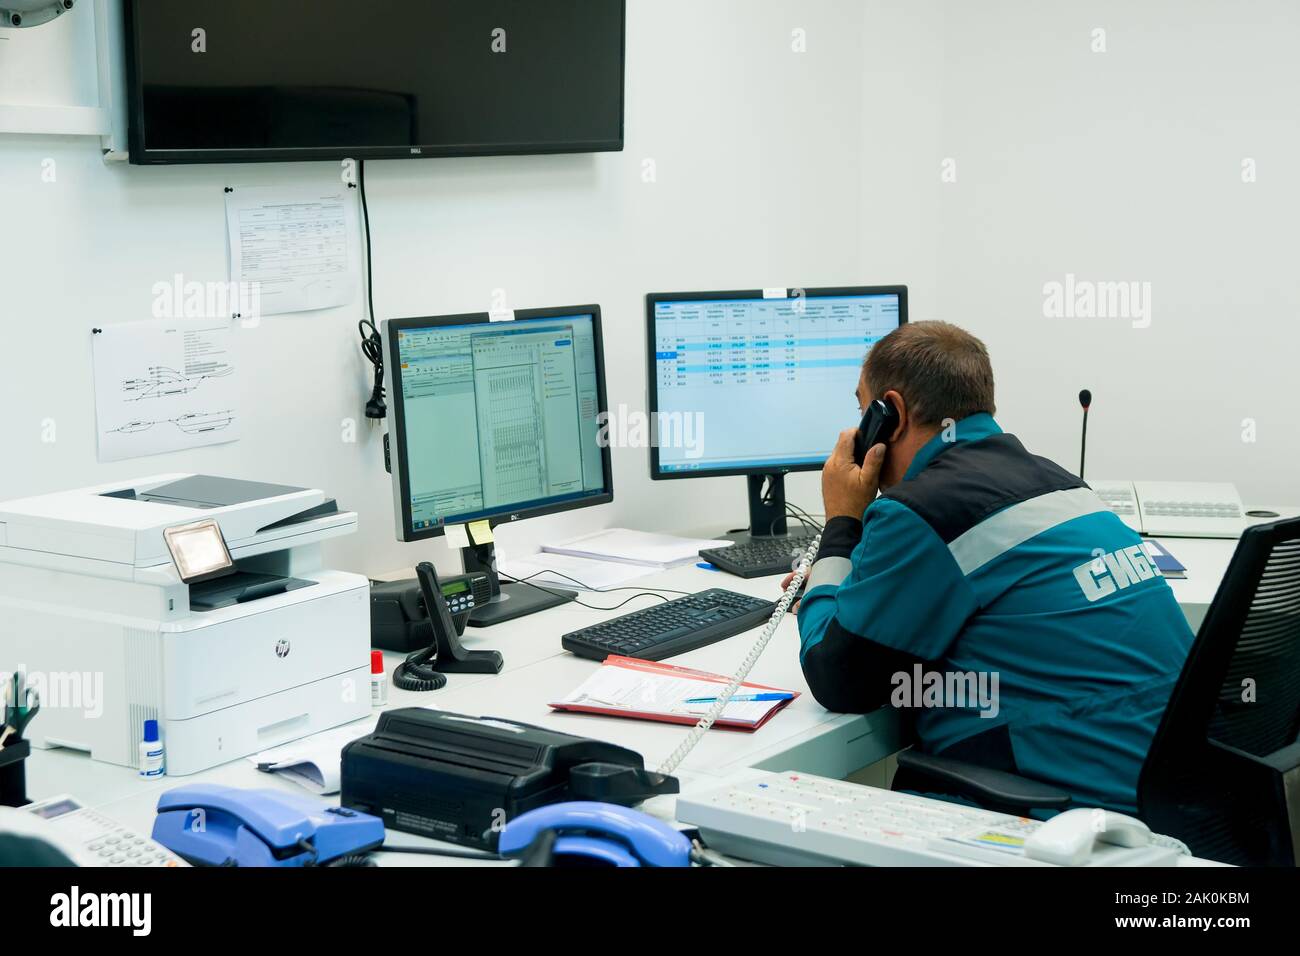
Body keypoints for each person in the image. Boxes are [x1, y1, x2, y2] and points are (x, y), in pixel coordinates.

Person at [791, 321, 1194, 813]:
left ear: (888, 414)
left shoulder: (922, 510)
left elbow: (838, 679)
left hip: (1071, 822)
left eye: (862, 410)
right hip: (1181, 804)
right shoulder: (1059, 482)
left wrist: (840, 525)